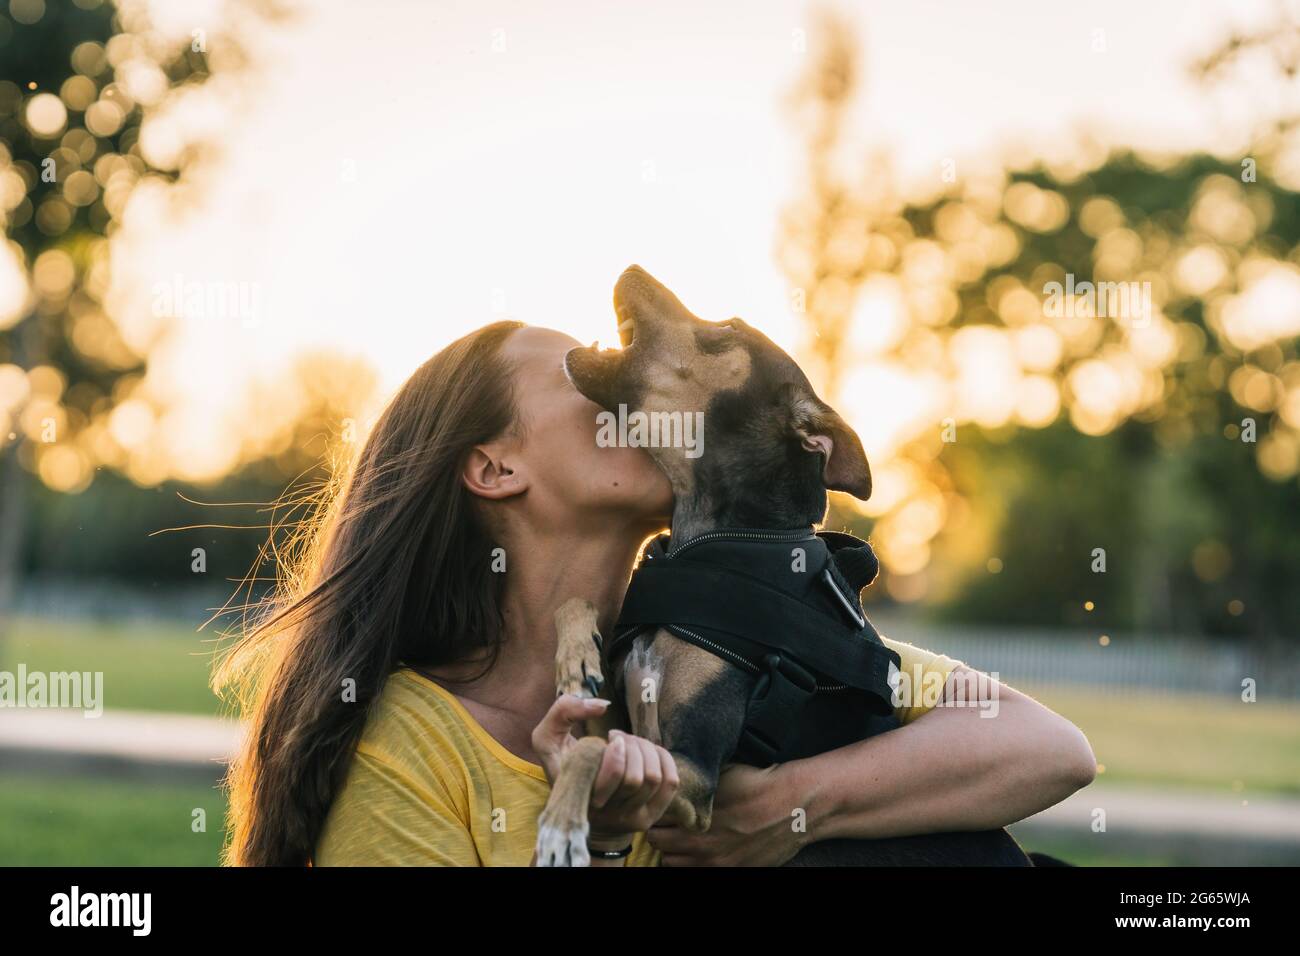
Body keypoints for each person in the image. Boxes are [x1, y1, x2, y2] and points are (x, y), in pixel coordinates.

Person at [214, 321, 1097, 866]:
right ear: (494, 466)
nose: (626, 376)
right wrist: (598, 844)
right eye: (581, 371)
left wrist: (782, 809)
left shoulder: (721, 643)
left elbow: (1045, 747)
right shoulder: (408, 748)